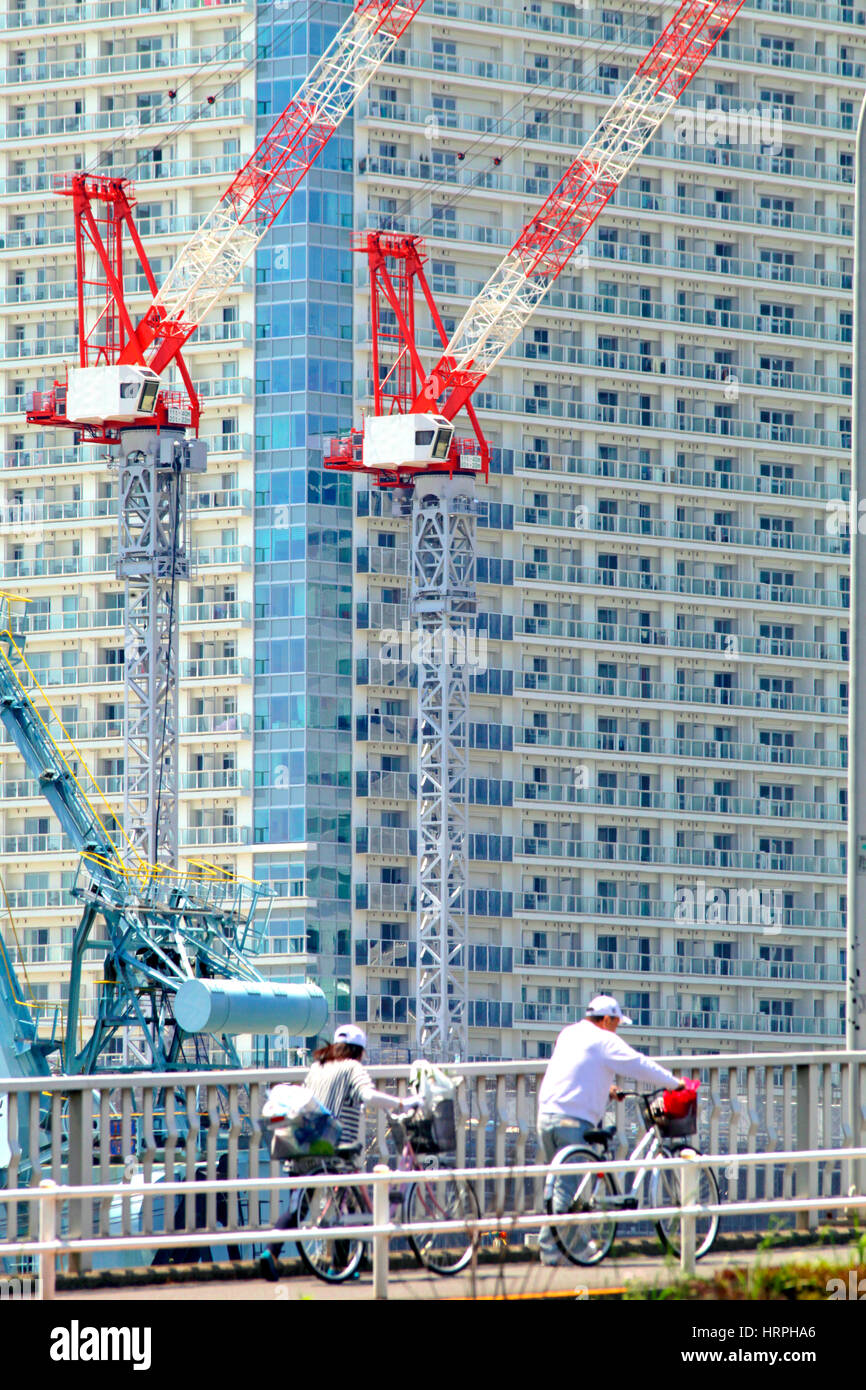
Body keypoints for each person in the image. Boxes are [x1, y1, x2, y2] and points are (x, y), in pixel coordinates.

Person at [536, 994, 688, 1266]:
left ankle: (579, 1247)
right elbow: (638, 1064)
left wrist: (607, 1090)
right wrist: (674, 1083)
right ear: (606, 1019)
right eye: (616, 1023)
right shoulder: (604, 1038)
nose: (617, 1029)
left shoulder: (569, 1033)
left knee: (570, 1187)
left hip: (547, 1118)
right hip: (573, 1122)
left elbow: (575, 1071)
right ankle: (549, 1251)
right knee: (566, 1191)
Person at [260, 1023, 413, 1280]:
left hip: (305, 1146)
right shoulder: (353, 1068)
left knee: (298, 1207)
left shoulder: (317, 1067)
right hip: (336, 1150)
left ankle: (270, 1253)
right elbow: (368, 1095)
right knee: (348, 1207)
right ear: (360, 1051)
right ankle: (338, 1266)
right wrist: (400, 1102)